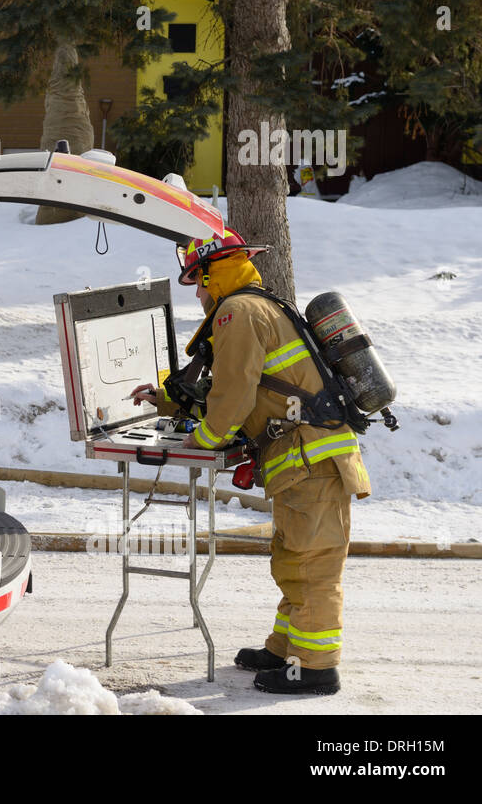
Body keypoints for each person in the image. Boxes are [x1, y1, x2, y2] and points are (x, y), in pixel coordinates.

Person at [131, 228, 371, 695]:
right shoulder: (258, 305)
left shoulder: (237, 311)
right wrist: (167, 400)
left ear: (212, 273)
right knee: (293, 560)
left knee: (312, 565)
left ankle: (316, 668)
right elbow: (243, 388)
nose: (198, 293)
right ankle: (286, 651)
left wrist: (204, 439)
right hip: (305, 460)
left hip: (312, 461)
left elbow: (234, 393)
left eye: (198, 282)